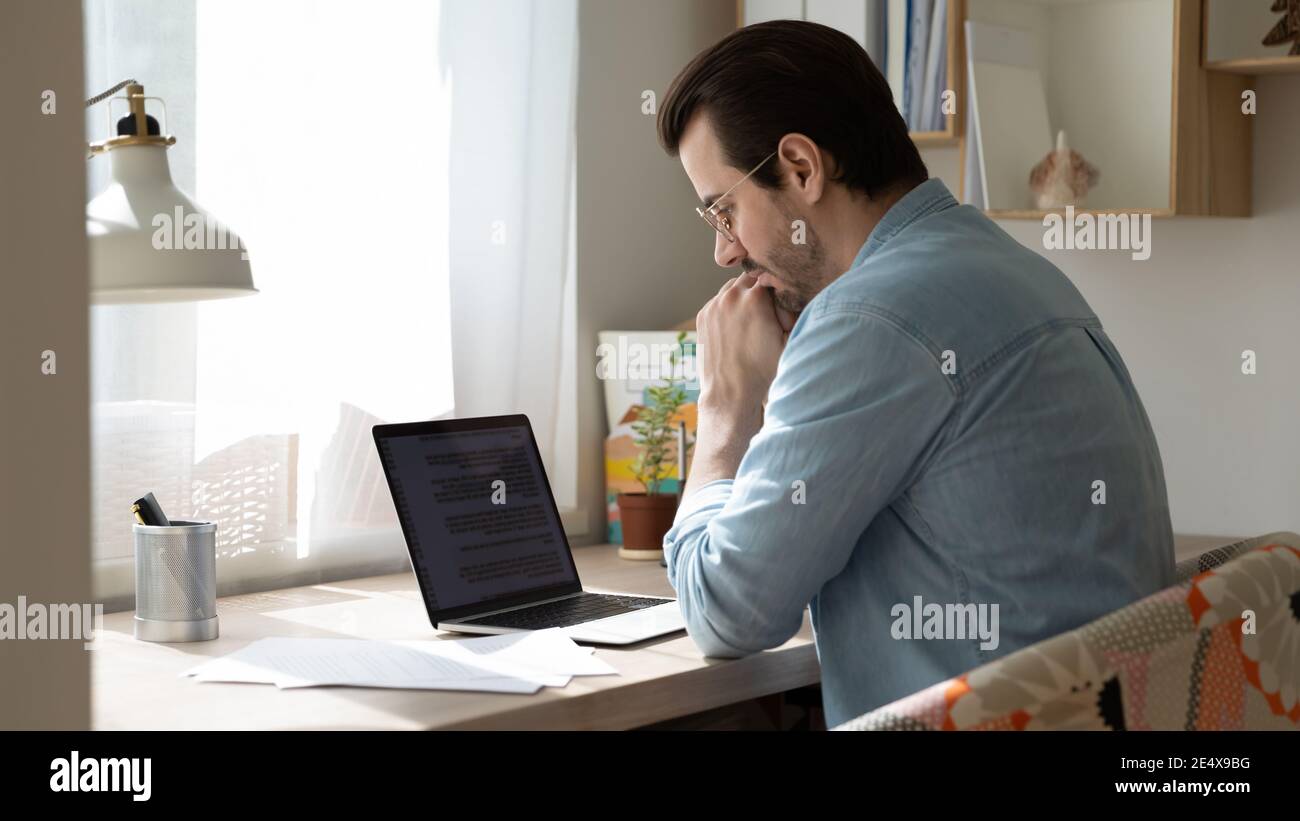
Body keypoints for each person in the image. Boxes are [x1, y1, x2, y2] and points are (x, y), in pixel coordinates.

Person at [656, 20, 1175, 728]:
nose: (724, 252)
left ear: (802, 168)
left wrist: (723, 412)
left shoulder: (868, 317)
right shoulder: (1017, 271)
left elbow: (727, 612)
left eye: (724, 210)